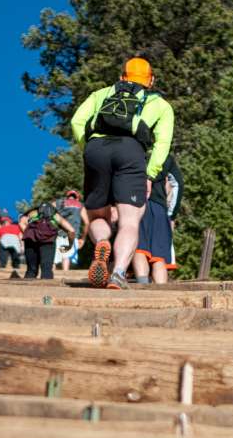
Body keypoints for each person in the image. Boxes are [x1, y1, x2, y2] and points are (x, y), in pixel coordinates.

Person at [70, 56, 174, 290]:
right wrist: (150, 174)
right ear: (151, 80)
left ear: (122, 77)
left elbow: (77, 121)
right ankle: (117, 273)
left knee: (98, 216)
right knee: (130, 221)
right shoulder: (160, 105)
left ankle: (103, 242)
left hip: (96, 149)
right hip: (131, 152)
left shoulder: (102, 94)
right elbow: (162, 145)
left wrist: (88, 148)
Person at [132, 154, 183, 285]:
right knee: (159, 256)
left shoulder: (134, 150)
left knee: (139, 249)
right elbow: (177, 184)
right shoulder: (164, 155)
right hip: (159, 207)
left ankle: (142, 288)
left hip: (135, 204)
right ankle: (160, 293)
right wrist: (171, 215)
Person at [22, 199, 77, 280]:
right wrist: (69, 245)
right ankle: (46, 290)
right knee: (46, 270)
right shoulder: (55, 216)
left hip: (30, 240)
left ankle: (24, 291)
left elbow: (21, 222)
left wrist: (29, 234)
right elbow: (71, 230)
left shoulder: (33, 213)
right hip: (48, 241)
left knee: (31, 270)